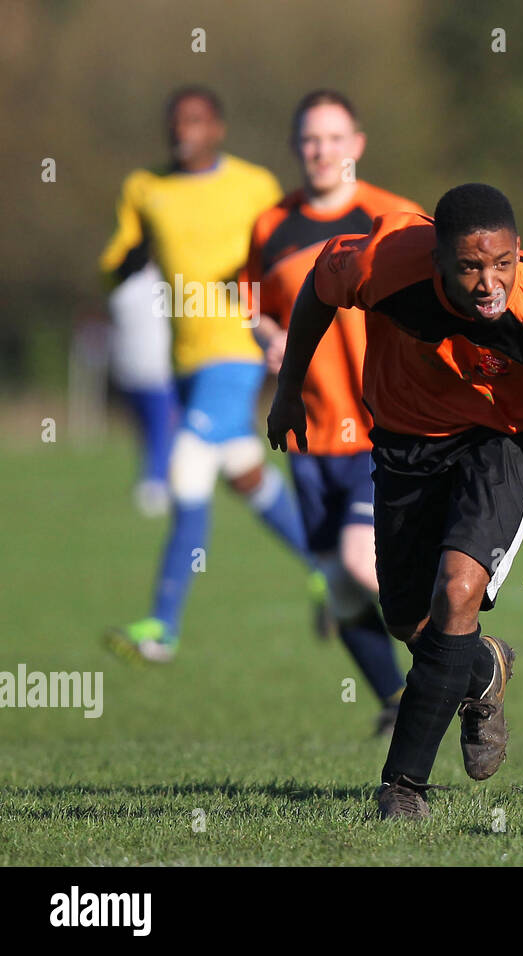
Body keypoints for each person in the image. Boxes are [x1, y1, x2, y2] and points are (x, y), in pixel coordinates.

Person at [267, 184, 523, 819]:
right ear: (437, 257)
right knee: (406, 621)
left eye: (501, 263)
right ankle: (482, 671)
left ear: (519, 252)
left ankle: (403, 787)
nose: (488, 283)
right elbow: (317, 288)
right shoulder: (384, 261)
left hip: (501, 441)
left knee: (456, 594)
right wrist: (289, 389)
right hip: (403, 442)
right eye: (470, 266)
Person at [101, 86, 314, 664]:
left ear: (217, 127)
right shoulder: (144, 188)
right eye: (175, 122)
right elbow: (116, 266)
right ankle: (327, 569)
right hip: (185, 358)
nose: (183, 131)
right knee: (242, 469)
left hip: (238, 348)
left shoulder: (255, 185)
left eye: (195, 121)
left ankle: (162, 626)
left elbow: (286, 257)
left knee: (185, 464)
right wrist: (131, 258)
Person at [245, 90, 424, 734]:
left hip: (380, 429)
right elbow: (254, 303)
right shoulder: (269, 226)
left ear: (358, 143)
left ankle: (464, 650)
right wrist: (266, 335)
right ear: (297, 146)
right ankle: (398, 698)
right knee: (340, 585)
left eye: (333, 138)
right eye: (309, 139)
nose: (321, 151)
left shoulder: (394, 217)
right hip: (306, 435)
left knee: (357, 560)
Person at [105, 260, 178, 517]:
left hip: (127, 372)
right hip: (157, 371)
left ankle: (152, 476)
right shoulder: (165, 284)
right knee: (163, 429)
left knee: (146, 431)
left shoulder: (121, 292)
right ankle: (156, 484)